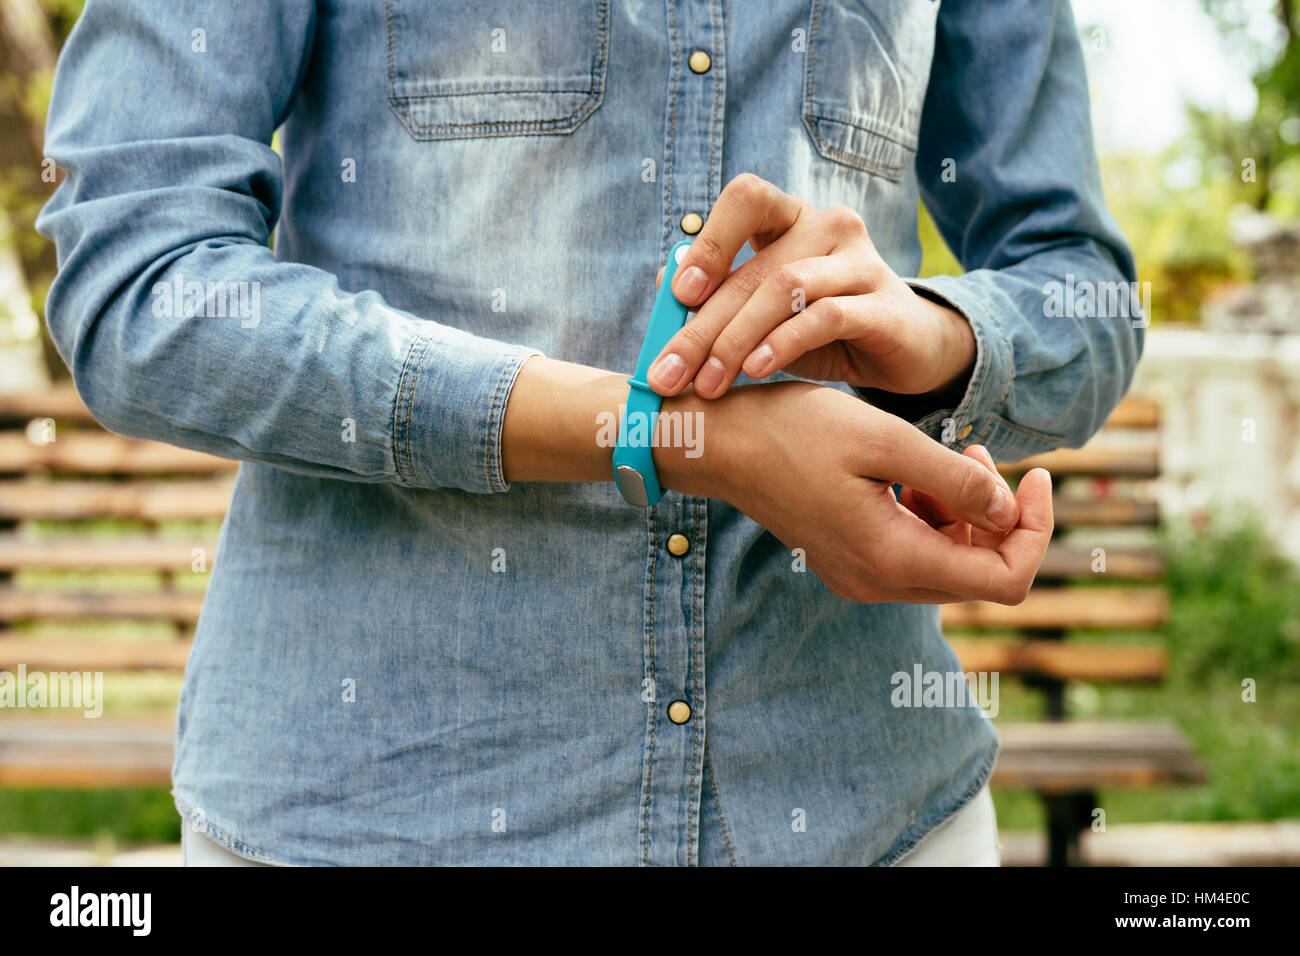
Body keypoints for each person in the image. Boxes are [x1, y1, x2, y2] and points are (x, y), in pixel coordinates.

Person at [37, 0, 1139, 866]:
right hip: (369, 819)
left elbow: (1081, 287)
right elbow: (143, 286)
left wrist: (933, 333)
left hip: (875, 811)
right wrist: (654, 435)